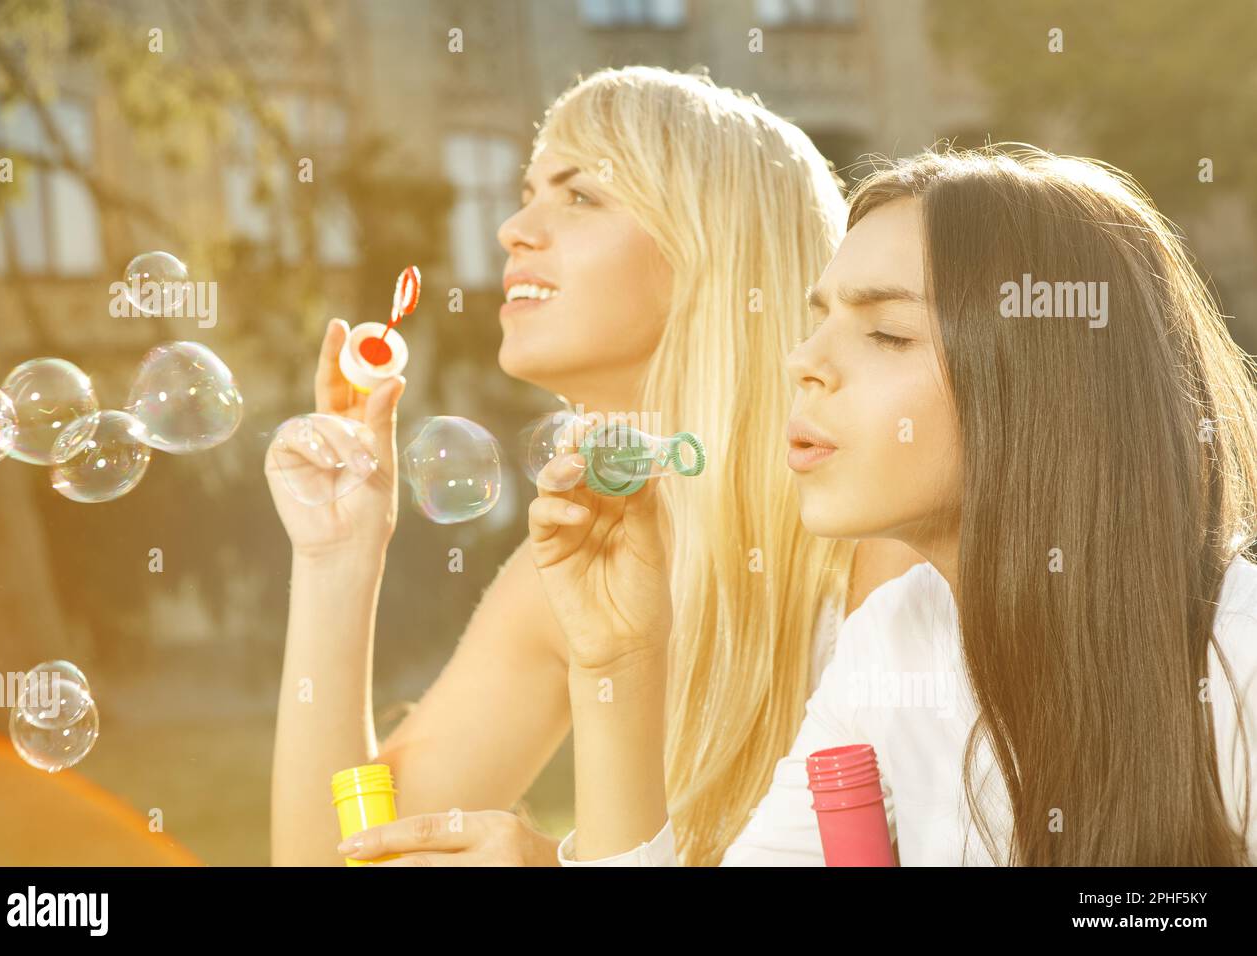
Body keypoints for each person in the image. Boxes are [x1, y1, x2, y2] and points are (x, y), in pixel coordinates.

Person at [268, 65, 922, 867]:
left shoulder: (885, 542)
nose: (513, 228)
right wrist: (336, 557)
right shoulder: (578, 564)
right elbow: (339, 862)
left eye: (580, 196)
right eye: (529, 190)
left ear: (707, 252)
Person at [534, 145, 1257, 866]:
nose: (803, 362)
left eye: (887, 333)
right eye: (819, 321)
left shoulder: (1239, 657)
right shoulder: (894, 638)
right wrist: (616, 665)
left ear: (1047, 384)